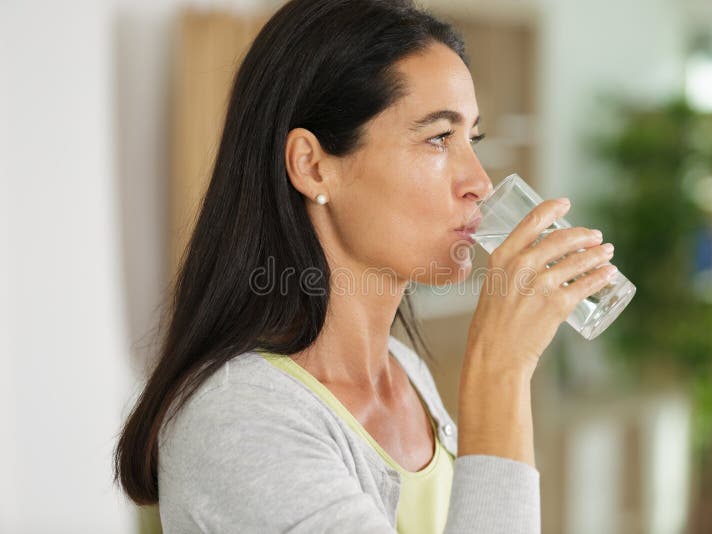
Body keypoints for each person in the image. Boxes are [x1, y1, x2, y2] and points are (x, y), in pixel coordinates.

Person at [114, 0, 618, 532]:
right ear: (313, 167)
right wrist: (500, 371)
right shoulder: (237, 419)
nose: (480, 182)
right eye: (438, 138)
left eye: (474, 138)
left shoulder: (406, 373)